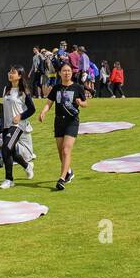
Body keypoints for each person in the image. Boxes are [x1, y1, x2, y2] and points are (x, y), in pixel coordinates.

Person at [40, 61, 87, 191]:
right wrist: (43, 112)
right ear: (60, 73)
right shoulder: (56, 88)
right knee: (61, 152)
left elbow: (85, 103)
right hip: (58, 121)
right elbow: (49, 103)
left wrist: (80, 103)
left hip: (72, 121)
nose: (67, 73)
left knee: (66, 150)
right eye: (64, 71)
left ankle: (61, 179)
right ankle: (69, 172)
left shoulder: (77, 87)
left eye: (69, 71)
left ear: (72, 73)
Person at [0, 66, 37, 189]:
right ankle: (27, 166)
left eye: (13, 72)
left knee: (6, 148)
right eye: (9, 72)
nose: (10, 74)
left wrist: (20, 116)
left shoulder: (24, 91)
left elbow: (32, 109)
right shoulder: (6, 89)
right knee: (11, 151)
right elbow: (2, 108)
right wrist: (1, 125)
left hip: (18, 126)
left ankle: (9, 180)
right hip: (6, 125)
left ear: (19, 76)